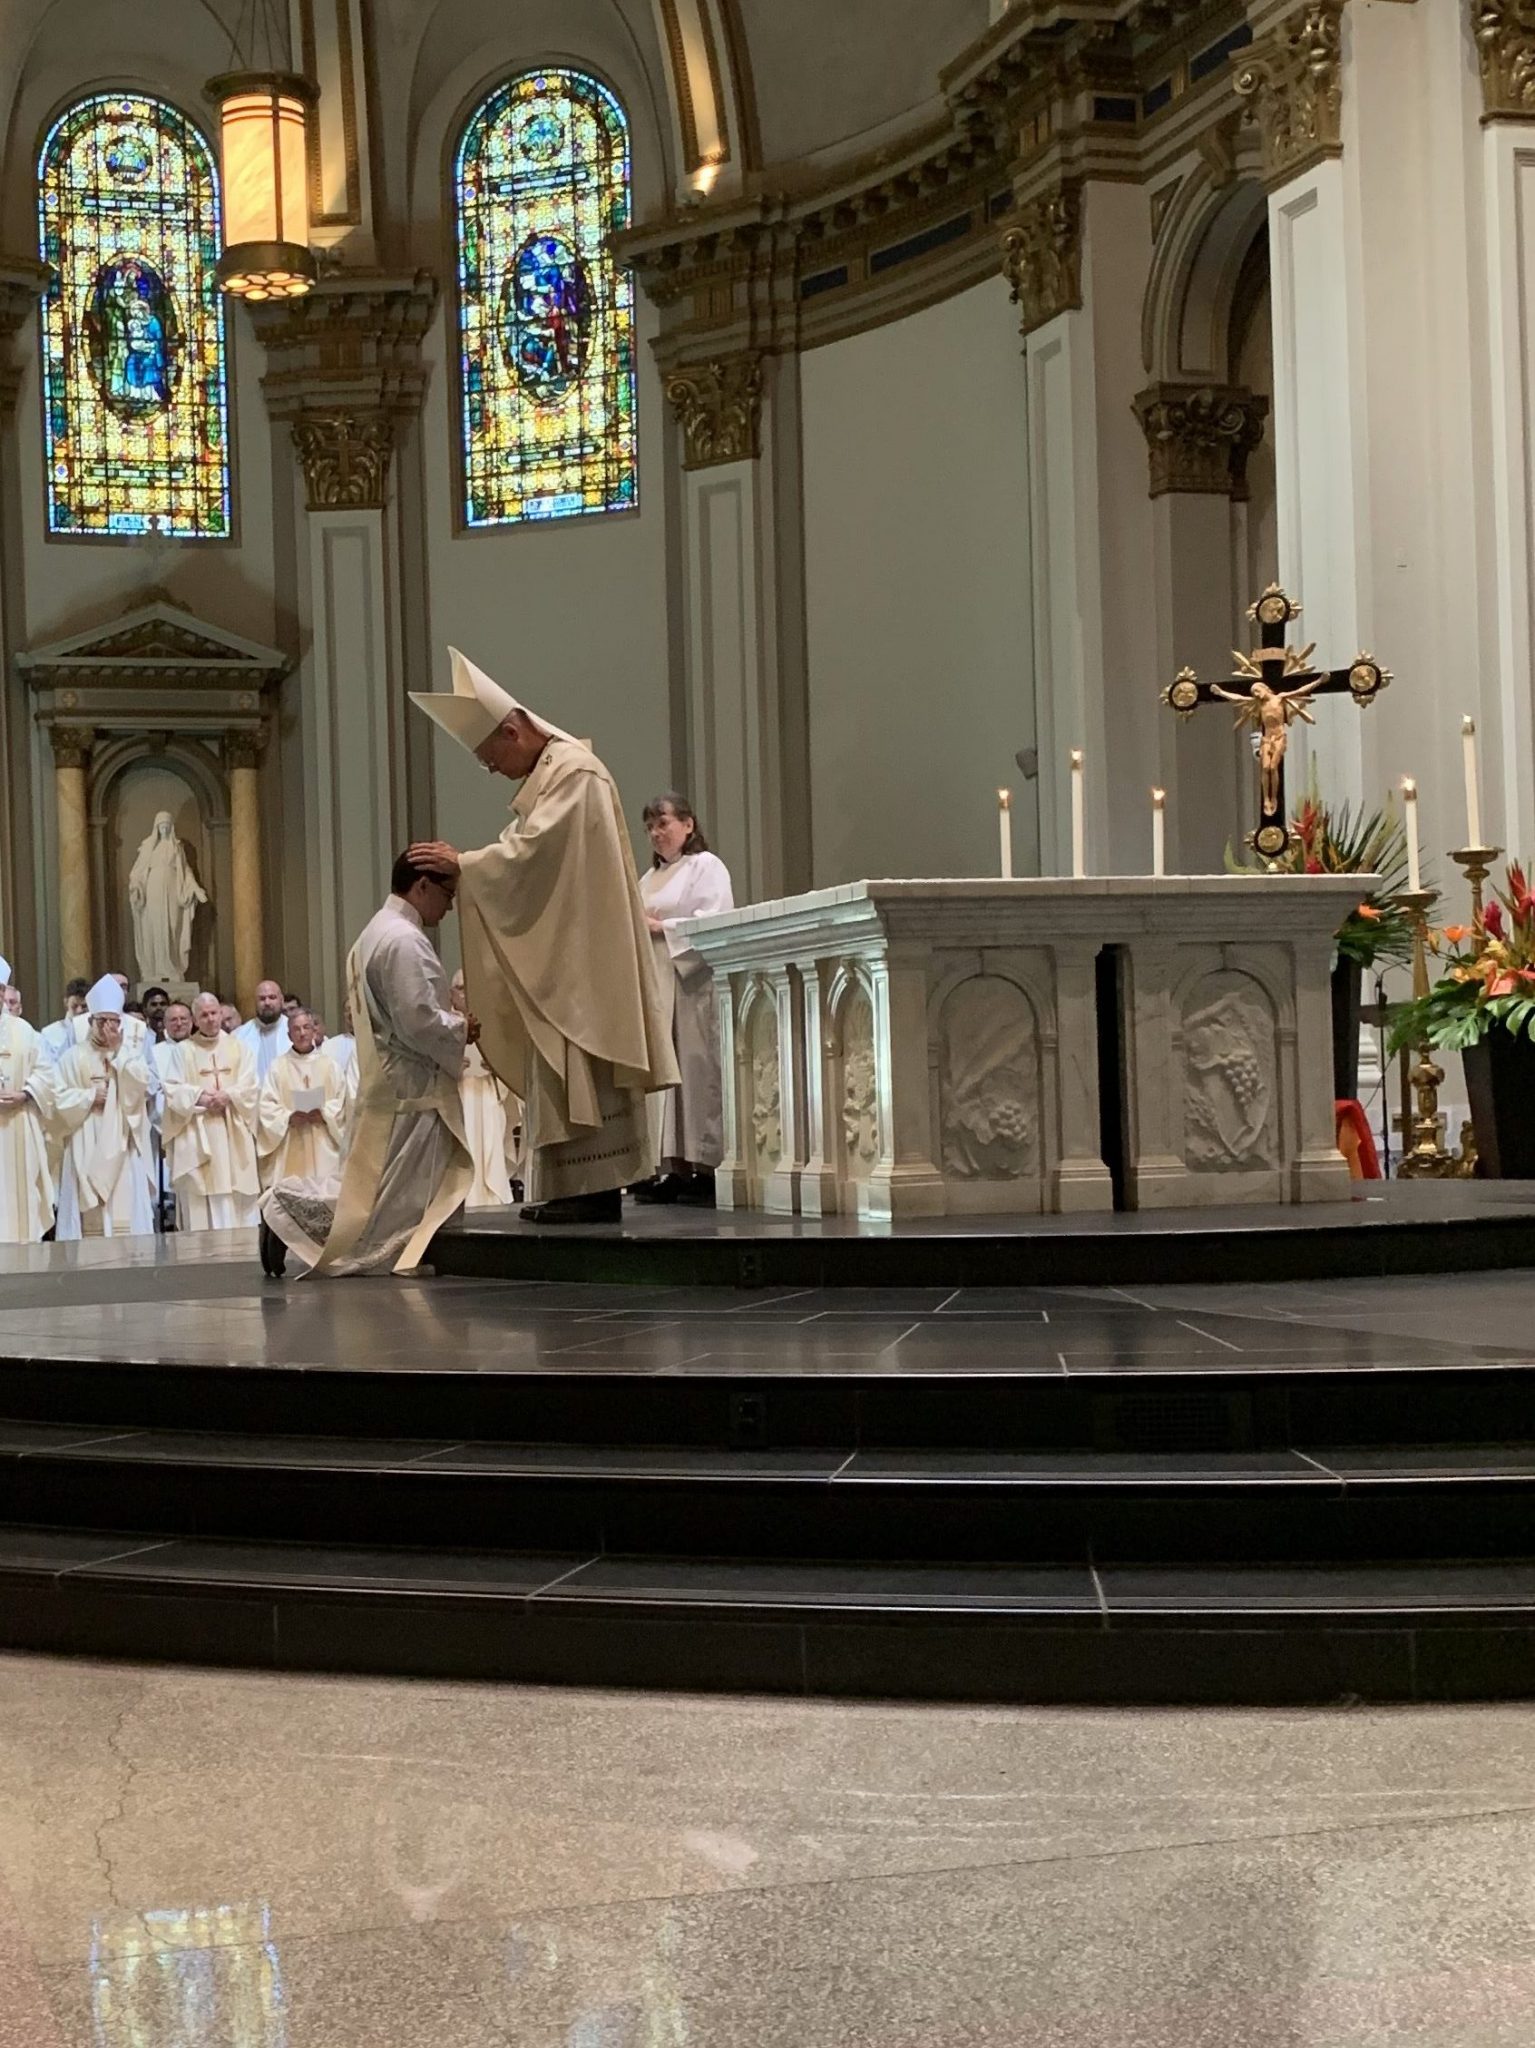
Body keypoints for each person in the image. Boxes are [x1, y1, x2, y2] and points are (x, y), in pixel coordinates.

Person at [407, 648, 676, 1225]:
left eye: (489, 757)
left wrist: (468, 865)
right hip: (567, 947)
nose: (491, 770)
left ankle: (595, 1191)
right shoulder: (553, 774)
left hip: (581, 958)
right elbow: (531, 850)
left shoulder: (574, 772)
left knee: (579, 1063)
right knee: (559, 1066)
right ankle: (572, 1188)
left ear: (511, 730)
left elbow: (536, 855)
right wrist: (478, 865)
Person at [261, 851, 473, 1278]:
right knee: (388, 1200)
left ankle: (287, 1215)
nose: (450, 907)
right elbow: (418, 1018)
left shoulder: (374, 932)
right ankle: (284, 1209)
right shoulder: (404, 940)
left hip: (390, 1078)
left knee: (374, 1188)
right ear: (423, 886)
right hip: (413, 1085)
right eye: (448, 894)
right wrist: (463, 1028)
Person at [637, 792, 733, 1205]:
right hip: (658, 987)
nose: (657, 834)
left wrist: (661, 928)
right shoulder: (647, 879)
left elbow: (715, 921)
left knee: (698, 1075)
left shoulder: (705, 867)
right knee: (667, 1080)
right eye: (651, 828)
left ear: (688, 825)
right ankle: (674, 1167)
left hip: (691, 984)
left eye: (664, 824)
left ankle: (707, 1169)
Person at [51, 975, 154, 1239]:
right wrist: (88, 1097)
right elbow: (57, 1099)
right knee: (89, 1222)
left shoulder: (129, 1055)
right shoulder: (72, 1057)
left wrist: (120, 1054)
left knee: (125, 1214)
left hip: (121, 1142)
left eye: (115, 1021)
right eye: (102, 1021)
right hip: (86, 1137)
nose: (109, 1027)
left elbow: (142, 1087)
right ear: (90, 1022)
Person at [161, 991, 261, 1230]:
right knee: (200, 1197)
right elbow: (172, 1089)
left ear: (221, 1014)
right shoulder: (183, 1051)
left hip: (231, 1134)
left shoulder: (240, 1048)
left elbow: (251, 1085)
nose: (210, 1019)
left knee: (235, 1196)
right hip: (199, 1135)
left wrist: (229, 1095)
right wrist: (200, 1097)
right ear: (195, 1020)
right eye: (203, 1015)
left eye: (214, 1013)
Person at [257, 1007, 346, 1189]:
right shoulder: (277, 1067)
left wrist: (325, 1114)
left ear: (314, 1031)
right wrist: (288, 1117)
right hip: (290, 1141)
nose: (302, 1033)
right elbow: (266, 1106)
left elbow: (343, 1102)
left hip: (324, 1144)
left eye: (306, 1027)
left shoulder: (330, 1066)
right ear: (289, 1035)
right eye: (296, 1029)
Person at [0, 953, 54, 1243]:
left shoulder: (26, 1032)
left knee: (20, 1193)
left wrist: (25, 1093)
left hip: (19, 1124)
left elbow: (47, 1073)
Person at [451, 968, 516, 1208]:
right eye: (460, 989)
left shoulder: (489, 1022)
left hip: (487, 1093)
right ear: (451, 994)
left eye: (469, 989)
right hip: (459, 1097)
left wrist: (498, 1067)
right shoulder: (442, 1024)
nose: (465, 995)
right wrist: (452, 1065)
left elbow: (509, 1063)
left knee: (489, 1149)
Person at [128, 810, 207, 984]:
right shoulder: (148, 846)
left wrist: (195, 889)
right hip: (153, 890)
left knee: (172, 927)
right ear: (156, 827)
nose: (164, 829)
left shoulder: (176, 848)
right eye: (161, 826)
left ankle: (173, 967)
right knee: (156, 928)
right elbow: (137, 872)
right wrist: (136, 887)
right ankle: (155, 969)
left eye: (167, 826)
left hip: (173, 891)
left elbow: (185, 871)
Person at [235, 979, 290, 1082]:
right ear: (255, 1003)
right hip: (253, 1096)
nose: (267, 1002)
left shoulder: (294, 1031)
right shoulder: (240, 1035)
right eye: (262, 999)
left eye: (272, 997)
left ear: (282, 1000)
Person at [40, 979, 90, 1064]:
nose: (79, 1010)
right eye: (74, 1006)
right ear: (66, 1002)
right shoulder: (49, 1033)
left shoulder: (96, 1032)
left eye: (84, 1006)